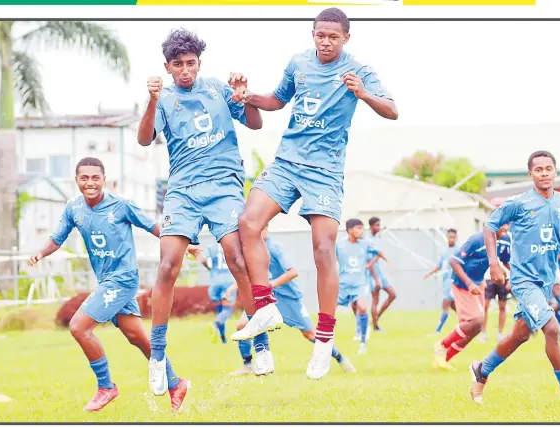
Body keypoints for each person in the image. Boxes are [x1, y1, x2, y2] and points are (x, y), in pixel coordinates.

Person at [228, 7, 398, 380]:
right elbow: (277, 100)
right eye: (320, 35)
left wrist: (363, 94)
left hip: (325, 171)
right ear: (313, 34)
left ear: (346, 39)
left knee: (323, 248)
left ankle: (323, 340)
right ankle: (265, 306)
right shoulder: (298, 63)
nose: (325, 42)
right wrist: (248, 96)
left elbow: (392, 111)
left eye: (333, 37)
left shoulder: (359, 70)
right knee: (247, 222)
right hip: (287, 161)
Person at [136, 29, 272, 408]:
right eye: (177, 65)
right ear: (167, 67)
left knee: (237, 256)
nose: (185, 70)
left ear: (199, 63)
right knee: (167, 266)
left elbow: (256, 123)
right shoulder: (162, 99)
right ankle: (158, 356)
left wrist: (245, 96)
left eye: (190, 63)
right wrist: (150, 100)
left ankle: (260, 344)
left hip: (224, 184)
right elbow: (145, 140)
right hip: (183, 189)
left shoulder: (216, 88)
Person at [27, 157, 177, 412]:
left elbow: (154, 227)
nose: (90, 183)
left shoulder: (121, 205)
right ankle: (176, 383)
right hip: (107, 280)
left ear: (104, 180)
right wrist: (40, 253)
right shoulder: (73, 209)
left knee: (78, 327)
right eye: (84, 178)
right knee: (137, 337)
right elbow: (57, 238)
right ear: (76, 181)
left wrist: (187, 245)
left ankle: (107, 387)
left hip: (123, 279)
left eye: (95, 177)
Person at [470, 150, 560, 406]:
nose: (544, 173)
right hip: (524, 281)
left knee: (519, 336)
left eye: (548, 168)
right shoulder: (519, 203)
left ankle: (482, 369)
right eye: (538, 169)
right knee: (553, 328)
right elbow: (490, 227)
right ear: (530, 174)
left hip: (546, 281)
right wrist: (494, 263)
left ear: (555, 171)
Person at [229, 226, 356, 376]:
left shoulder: (275, 248)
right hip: (266, 297)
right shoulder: (250, 249)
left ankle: (340, 358)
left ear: (267, 228)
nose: (259, 232)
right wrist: (233, 287)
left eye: (263, 228)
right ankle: (248, 365)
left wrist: (271, 285)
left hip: (289, 298)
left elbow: (293, 272)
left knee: (310, 334)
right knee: (242, 325)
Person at [432, 226, 511, 371]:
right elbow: (453, 262)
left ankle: (444, 359)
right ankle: (441, 345)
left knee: (477, 328)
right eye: (502, 222)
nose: (506, 226)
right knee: (477, 320)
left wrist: (513, 276)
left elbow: (505, 261)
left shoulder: (504, 240)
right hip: (463, 284)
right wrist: (469, 283)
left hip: (478, 283)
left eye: (508, 222)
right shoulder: (476, 240)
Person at [337, 219, 387, 355]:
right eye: (358, 228)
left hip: (360, 283)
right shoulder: (339, 245)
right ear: (350, 230)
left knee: (363, 307)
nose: (361, 231)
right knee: (329, 312)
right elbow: (328, 257)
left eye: (362, 228)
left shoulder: (365, 244)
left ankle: (363, 342)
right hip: (343, 284)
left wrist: (386, 261)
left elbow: (378, 251)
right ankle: (325, 342)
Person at [422, 228, 459, 335]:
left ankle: (438, 330)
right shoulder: (445, 251)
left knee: (446, 304)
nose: (451, 239)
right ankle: (467, 323)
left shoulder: (458, 251)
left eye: (453, 237)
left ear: (456, 238)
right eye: (449, 237)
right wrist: (428, 274)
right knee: (454, 306)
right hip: (446, 282)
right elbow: (439, 265)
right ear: (447, 238)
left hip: (453, 282)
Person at [198, 243, 236, 344]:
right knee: (227, 309)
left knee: (220, 310)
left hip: (215, 280)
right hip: (228, 280)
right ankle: (215, 325)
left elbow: (203, 259)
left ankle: (223, 338)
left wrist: (211, 269)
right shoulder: (232, 245)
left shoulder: (211, 247)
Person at [366, 217, 396, 332]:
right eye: (376, 225)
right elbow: (368, 261)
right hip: (373, 274)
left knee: (392, 294)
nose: (378, 227)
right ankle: (375, 326)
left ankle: (375, 318)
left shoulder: (375, 239)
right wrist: (376, 279)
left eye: (379, 225)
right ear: (371, 226)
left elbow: (378, 255)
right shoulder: (368, 240)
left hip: (380, 273)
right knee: (375, 299)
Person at [481, 265, 511, 343]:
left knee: (502, 307)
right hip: (488, 278)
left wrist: (511, 279)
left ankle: (500, 334)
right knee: (485, 306)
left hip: (504, 278)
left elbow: (510, 261)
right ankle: (483, 333)